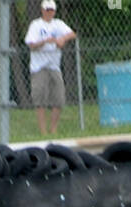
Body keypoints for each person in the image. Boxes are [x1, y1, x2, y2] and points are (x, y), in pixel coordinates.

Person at [25, 0, 76, 137]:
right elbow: (31, 44)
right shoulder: (36, 25)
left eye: (51, 10)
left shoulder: (58, 24)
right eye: (47, 9)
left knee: (58, 98)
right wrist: (44, 41)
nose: (49, 12)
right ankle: (43, 131)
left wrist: (62, 39)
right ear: (42, 10)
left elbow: (72, 34)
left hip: (54, 66)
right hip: (39, 67)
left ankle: (53, 129)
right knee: (40, 100)